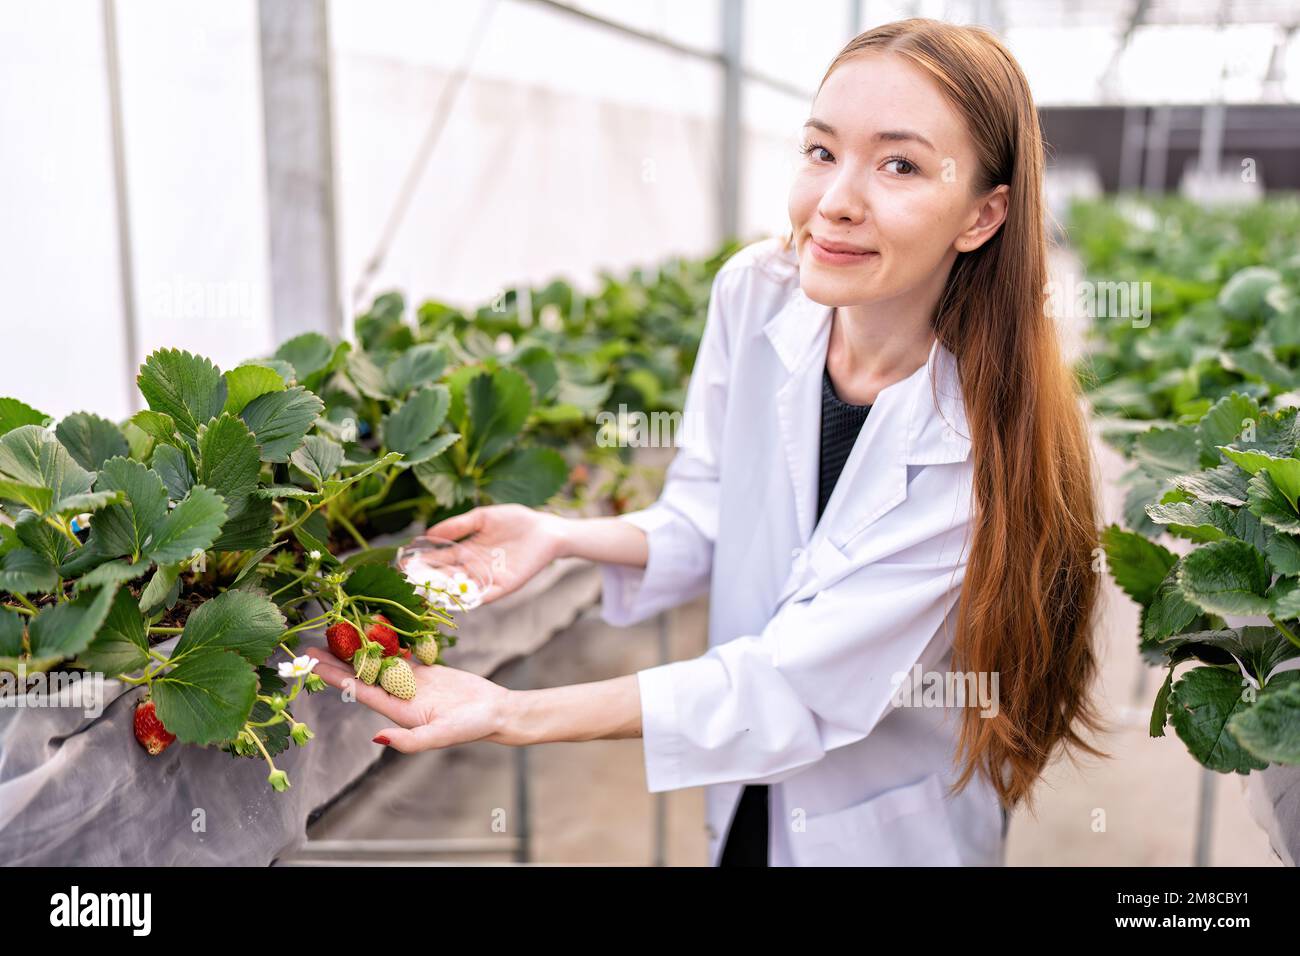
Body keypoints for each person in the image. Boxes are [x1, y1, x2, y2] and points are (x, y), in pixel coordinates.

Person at [305, 17, 1107, 866]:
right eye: (821, 150)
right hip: (747, 791)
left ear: (983, 216)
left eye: (900, 165)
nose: (836, 198)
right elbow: (707, 510)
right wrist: (566, 537)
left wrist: (514, 712)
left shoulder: (975, 443)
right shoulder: (756, 296)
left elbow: (788, 688)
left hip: (881, 827)